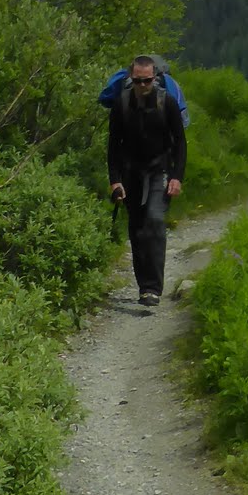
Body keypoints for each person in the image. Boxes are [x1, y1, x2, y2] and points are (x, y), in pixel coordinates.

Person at [107, 54, 186, 308]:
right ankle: (145, 288)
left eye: (147, 81)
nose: (143, 86)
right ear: (131, 78)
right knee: (137, 229)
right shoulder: (121, 104)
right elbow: (113, 145)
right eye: (138, 81)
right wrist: (115, 181)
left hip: (159, 171)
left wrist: (177, 177)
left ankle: (153, 287)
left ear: (155, 78)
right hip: (131, 173)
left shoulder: (167, 102)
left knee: (154, 221)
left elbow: (180, 142)